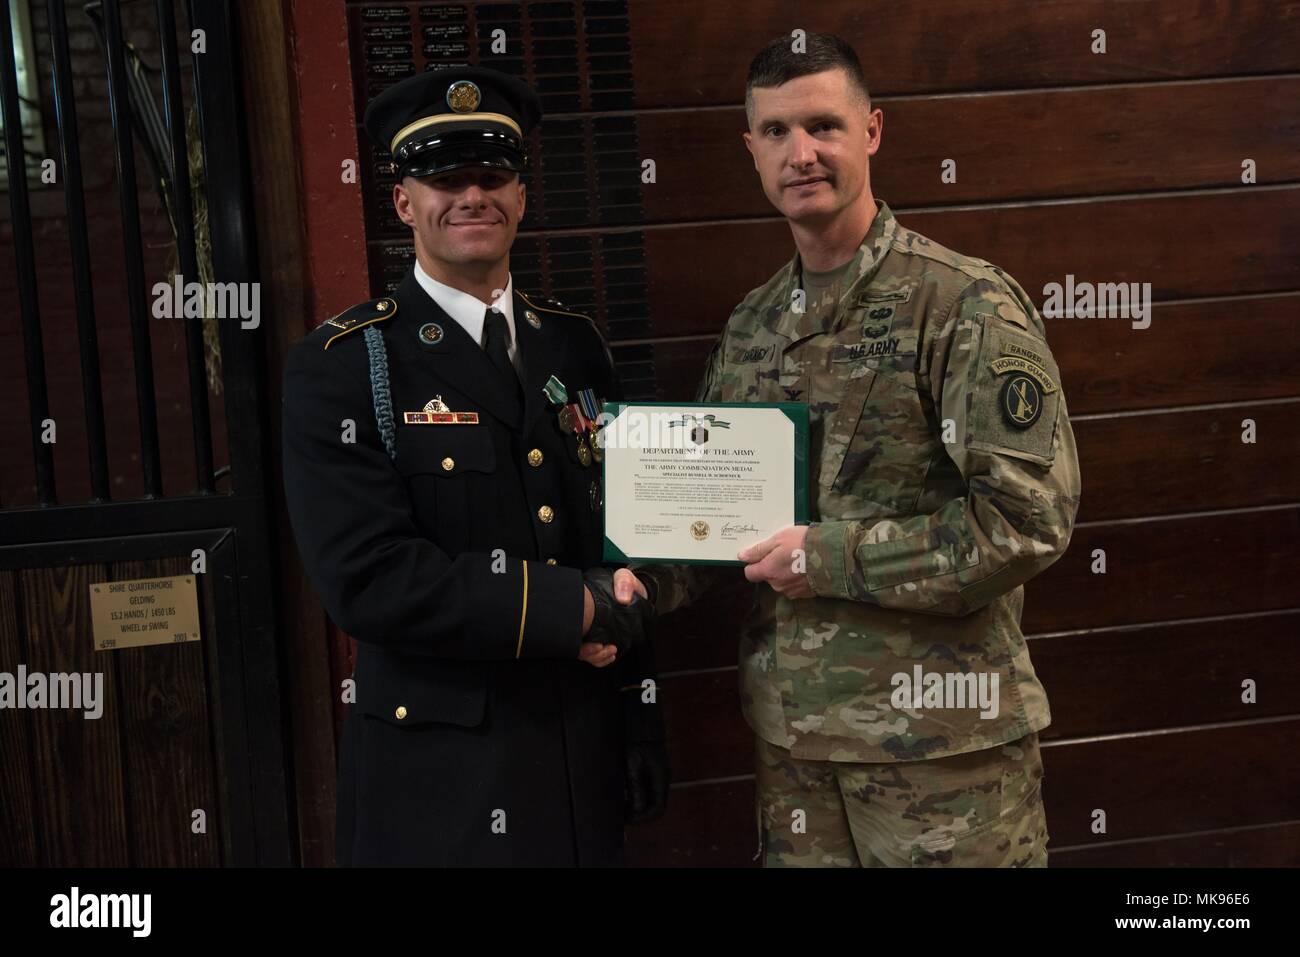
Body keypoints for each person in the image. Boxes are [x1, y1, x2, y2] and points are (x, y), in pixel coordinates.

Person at [632, 34, 1082, 867]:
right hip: (795, 746)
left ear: (871, 131)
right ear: (752, 150)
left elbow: (1027, 521)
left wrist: (827, 558)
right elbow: (713, 513)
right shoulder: (754, 325)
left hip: (945, 751)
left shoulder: (963, 306)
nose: (801, 153)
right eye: (776, 133)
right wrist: (634, 586)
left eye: (823, 127)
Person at [281, 66, 664, 867]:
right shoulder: (347, 364)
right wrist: (573, 608)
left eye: (492, 176)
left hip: (577, 758)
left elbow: (624, 534)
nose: (471, 196)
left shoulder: (576, 344)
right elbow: (369, 578)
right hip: (441, 778)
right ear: (403, 202)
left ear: (522, 196)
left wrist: (636, 714)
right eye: (444, 178)